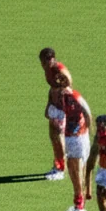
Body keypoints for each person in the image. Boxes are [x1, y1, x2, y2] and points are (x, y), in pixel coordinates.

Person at [58, 82, 93, 211]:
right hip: (69, 138)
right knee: (72, 172)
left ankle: (80, 208)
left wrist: (87, 132)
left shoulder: (75, 97)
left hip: (79, 138)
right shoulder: (61, 99)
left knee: (78, 173)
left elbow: (87, 113)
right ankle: (77, 203)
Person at [40, 47, 72, 180]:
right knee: (53, 136)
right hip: (54, 105)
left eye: (45, 62)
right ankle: (56, 165)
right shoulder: (48, 70)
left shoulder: (59, 70)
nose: (43, 65)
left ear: (51, 59)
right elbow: (52, 87)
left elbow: (68, 87)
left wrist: (65, 107)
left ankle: (61, 169)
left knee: (59, 137)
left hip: (62, 107)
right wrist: (49, 103)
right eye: (42, 62)